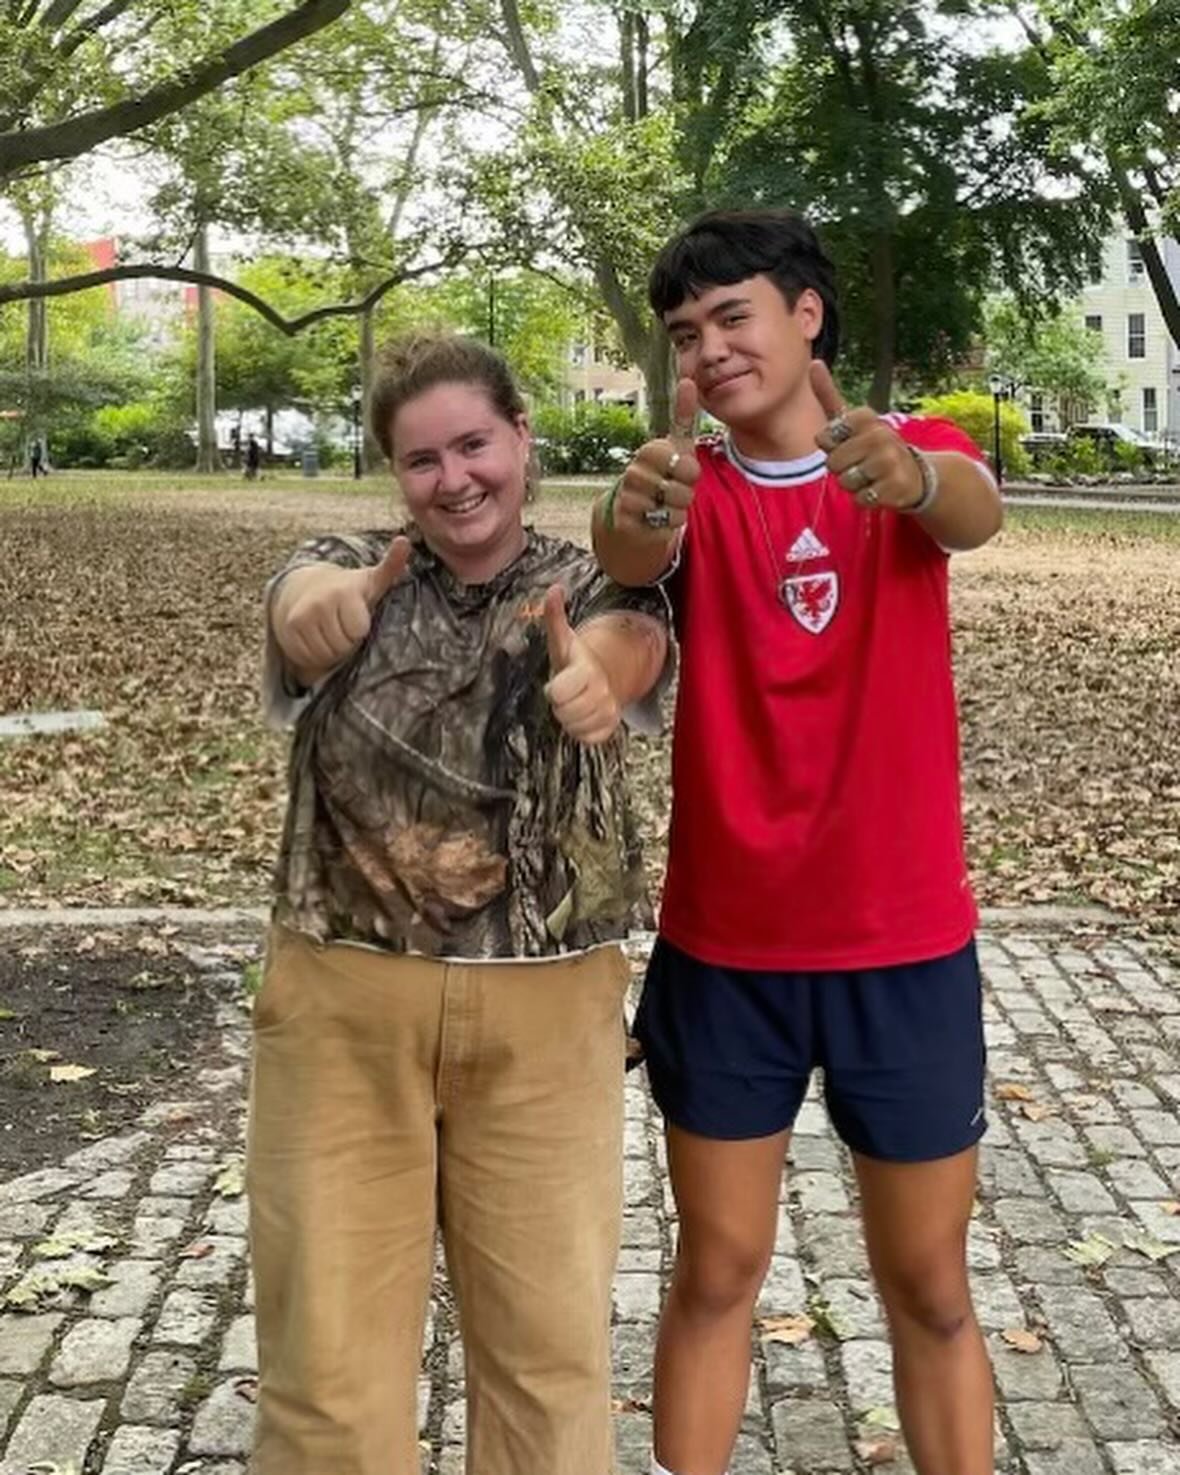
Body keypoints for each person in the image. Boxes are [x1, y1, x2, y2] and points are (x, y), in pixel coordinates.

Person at [592, 208, 1004, 1475]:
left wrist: (918, 478)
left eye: (734, 315)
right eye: (685, 331)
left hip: (905, 949)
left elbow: (973, 510)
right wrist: (637, 504)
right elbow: (625, 554)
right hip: (727, 954)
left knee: (930, 1282)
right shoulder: (683, 489)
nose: (710, 348)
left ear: (805, 314)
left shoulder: (899, 453)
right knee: (716, 1268)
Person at [251, 331, 671, 1475]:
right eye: (422, 458)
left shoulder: (594, 581)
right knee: (325, 1369)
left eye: (474, 443)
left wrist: (596, 672)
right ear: (394, 472)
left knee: (547, 1362)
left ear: (522, 439)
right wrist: (326, 611)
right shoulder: (346, 559)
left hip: (547, 1016)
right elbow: (303, 609)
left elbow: (630, 640)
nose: (455, 478)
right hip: (342, 1007)